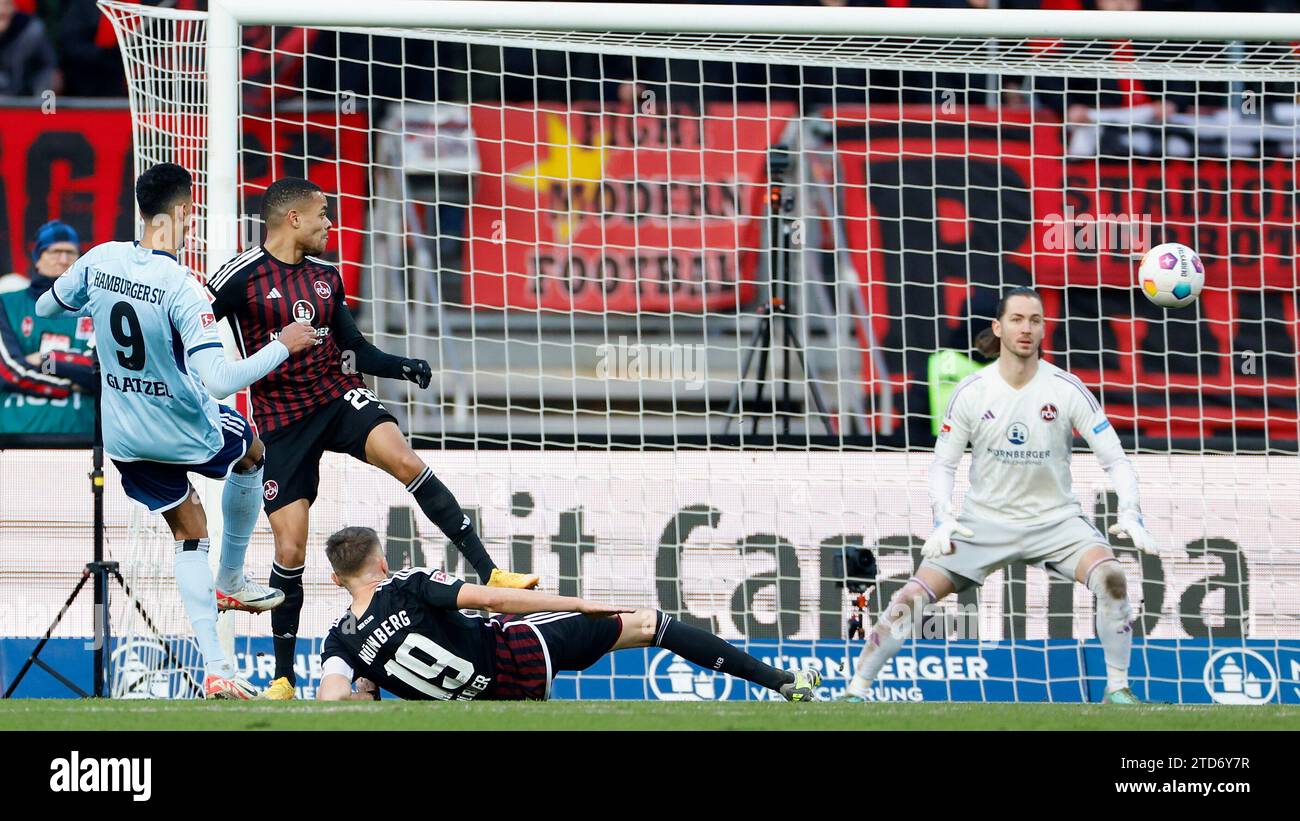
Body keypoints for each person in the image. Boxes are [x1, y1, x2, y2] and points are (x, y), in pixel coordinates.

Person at [205, 177, 539, 701]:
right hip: (282, 421)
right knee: (290, 547)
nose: (329, 224)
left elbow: (353, 349)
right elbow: (193, 322)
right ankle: (284, 678)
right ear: (293, 218)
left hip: (337, 397)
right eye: (322, 214)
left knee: (406, 460)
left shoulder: (325, 277)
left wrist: (402, 365)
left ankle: (491, 571)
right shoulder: (240, 275)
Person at [36, 163, 318, 699]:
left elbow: (48, 305)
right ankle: (230, 578)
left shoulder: (100, 259)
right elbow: (219, 382)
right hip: (182, 427)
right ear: (184, 211)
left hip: (125, 436)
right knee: (252, 450)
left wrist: (95, 308)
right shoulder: (183, 287)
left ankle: (216, 670)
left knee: (189, 531)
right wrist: (282, 344)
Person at [843, 286, 1158, 705]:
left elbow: (1115, 459)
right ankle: (856, 690)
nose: (1026, 329)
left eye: (1034, 320)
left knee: (1112, 578)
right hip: (983, 523)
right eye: (1016, 319)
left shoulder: (1066, 388)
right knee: (910, 599)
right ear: (998, 327)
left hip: (1056, 522)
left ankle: (1117, 689)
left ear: (1043, 329)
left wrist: (1131, 511)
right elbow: (943, 464)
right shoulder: (973, 390)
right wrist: (943, 518)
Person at [315, 526, 823, 703]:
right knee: (650, 624)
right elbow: (493, 599)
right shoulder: (406, 583)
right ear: (382, 562)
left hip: (485, 702)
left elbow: (331, 698)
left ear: (337, 580)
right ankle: (783, 682)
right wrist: (576, 603)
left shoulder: (340, 639)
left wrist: (367, 689)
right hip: (520, 653)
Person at [0, 221, 96, 439]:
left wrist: (48, 359)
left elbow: (101, 371)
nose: (63, 260)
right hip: (16, 439)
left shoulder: (95, 307)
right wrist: (70, 382)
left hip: (83, 437)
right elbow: (8, 372)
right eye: (55, 252)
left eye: (70, 253)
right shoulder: (6, 304)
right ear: (37, 257)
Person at [0, 0, 57, 97]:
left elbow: (47, 68)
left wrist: (39, 99)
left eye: (6, 4)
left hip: (26, 98)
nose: (2, 10)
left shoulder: (31, 31)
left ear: (14, 6)